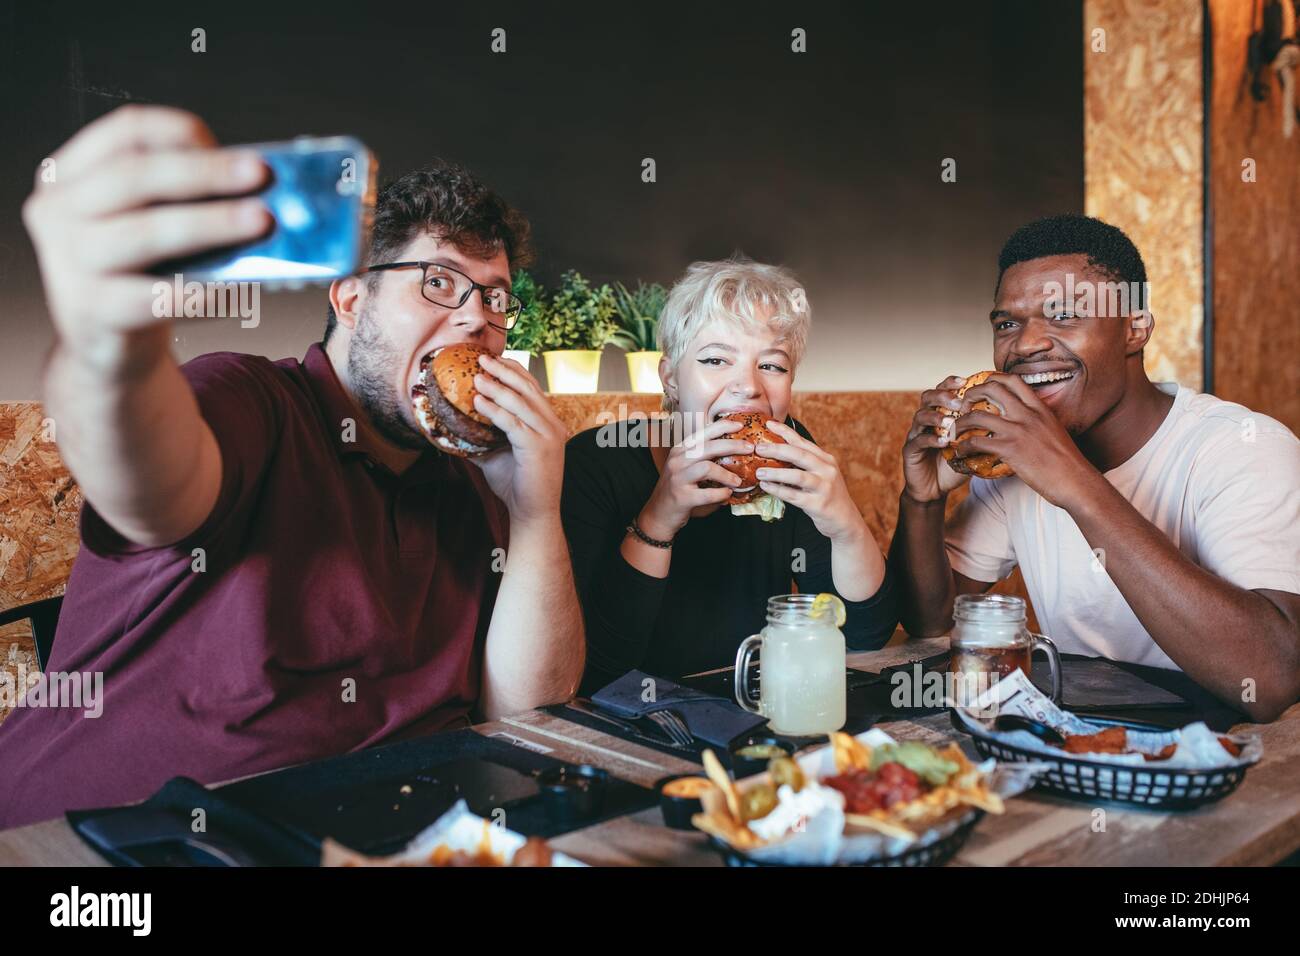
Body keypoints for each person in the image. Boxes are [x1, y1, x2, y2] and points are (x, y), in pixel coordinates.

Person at [0, 105, 584, 828]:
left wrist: (535, 512)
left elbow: (530, 722)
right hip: (105, 843)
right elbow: (147, 487)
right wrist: (107, 344)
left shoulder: (475, 477)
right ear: (351, 296)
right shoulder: (249, 401)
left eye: (495, 299)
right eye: (438, 280)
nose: (476, 319)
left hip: (377, 832)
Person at [890, 214, 1300, 722]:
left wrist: (1071, 482)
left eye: (1063, 316)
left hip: (1226, 765)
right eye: (1007, 324)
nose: (1024, 345)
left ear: (1135, 329)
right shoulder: (1014, 457)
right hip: (1079, 744)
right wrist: (923, 501)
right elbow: (931, 620)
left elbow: (1270, 680)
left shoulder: (1240, 447)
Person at [562, 257, 898, 693]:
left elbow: (865, 637)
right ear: (671, 379)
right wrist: (658, 520)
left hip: (755, 719)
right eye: (717, 360)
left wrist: (846, 525)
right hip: (627, 731)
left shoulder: (792, 455)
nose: (748, 386)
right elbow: (596, 669)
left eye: (773, 365)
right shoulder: (595, 464)